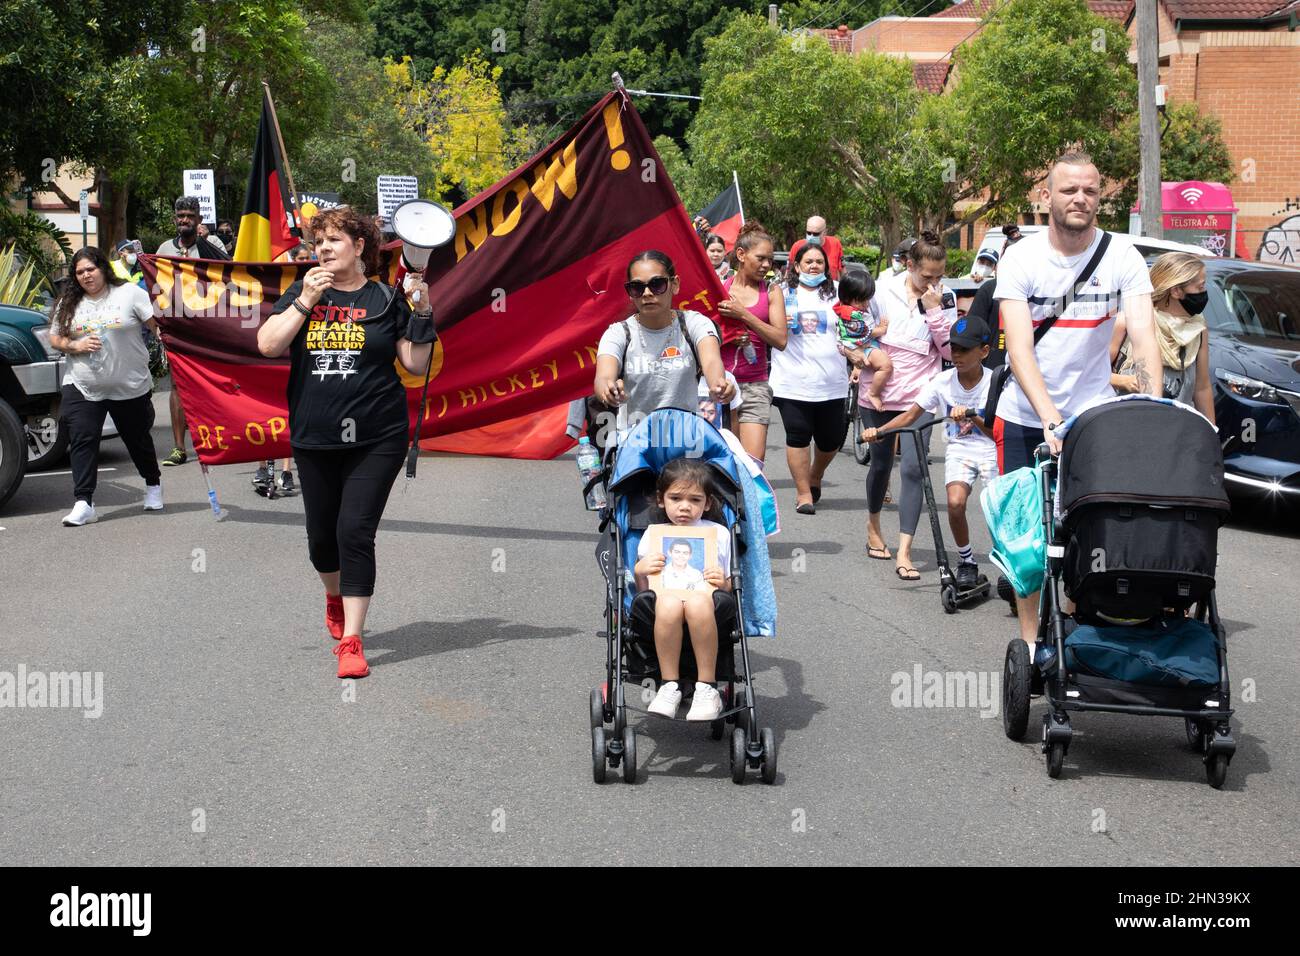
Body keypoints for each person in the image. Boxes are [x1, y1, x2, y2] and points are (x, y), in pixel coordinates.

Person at [257, 206, 436, 679]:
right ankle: (333, 595)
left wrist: (421, 310)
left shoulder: (384, 297)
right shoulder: (303, 292)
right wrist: (303, 302)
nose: (324, 249)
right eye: (320, 243)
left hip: (378, 435)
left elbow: (415, 364)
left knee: (354, 531)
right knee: (322, 538)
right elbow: (268, 345)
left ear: (360, 247)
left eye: (335, 241)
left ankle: (353, 641)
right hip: (315, 435)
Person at [993, 151, 1160, 646]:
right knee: (1028, 538)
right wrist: (1049, 417)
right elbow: (1020, 349)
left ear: (1100, 197)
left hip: (1093, 417)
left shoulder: (1123, 257)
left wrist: (1151, 407)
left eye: (1090, 190)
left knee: (1087, 525)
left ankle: (1071, 632)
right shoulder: (1021, 258)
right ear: (1046, 196)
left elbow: (1145, 336)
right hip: (1026, 417)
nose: (1080, 198)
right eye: (1069, 190)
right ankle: (1029, 643)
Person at [848, 230, 957, 579]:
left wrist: (936, 313)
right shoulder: (881, 292)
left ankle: (905, 550)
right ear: (909, 265)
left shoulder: (944, 298)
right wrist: (857, 355)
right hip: (878, 392)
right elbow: (851, 331)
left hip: (920, 396)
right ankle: (873, 528)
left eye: (939, 277)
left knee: (913, 468)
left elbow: (952, 352)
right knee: (880, 466)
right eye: (927, 276)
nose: (933, 283)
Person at [863, 315, 997, 587]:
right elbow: (911, 415)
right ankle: (967, 561)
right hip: (960, 448)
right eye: (954, 348)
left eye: (964, 350)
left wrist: (973, 416)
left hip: (991, 449)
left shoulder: (996, 383)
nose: (956, 355)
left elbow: (996, 433)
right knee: (956, 503)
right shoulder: (942, 381)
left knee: (997, 510)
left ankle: (1010, 563)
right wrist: (881, 432)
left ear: (984, 351)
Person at [46, 248, 164, 526]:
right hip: (83, 383)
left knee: (137, 438)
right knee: (83, 438)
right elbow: (55, 339)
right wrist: (74, 345)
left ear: (102, 268)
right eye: (79, 272)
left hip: (128, 384)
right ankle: (84, 502)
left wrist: (178, 350)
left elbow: (157, 326)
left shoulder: (130, 293)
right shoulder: (70, 302)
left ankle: (153, 485)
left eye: (91, 269)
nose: (86, 275)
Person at [633, 458, 733, 721]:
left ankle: (706, 687)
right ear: (661, 500)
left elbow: (732, 585)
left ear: (707, 503)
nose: (684, 507)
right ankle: (669, 685)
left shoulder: (719, 533)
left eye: (695, 500)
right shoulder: (654, 534)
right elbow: (645, 593)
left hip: (708, 605)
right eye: (675, 498)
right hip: (664, 606)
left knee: (698, 602)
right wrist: (640, 571)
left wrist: (723, 581)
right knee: (667, 602)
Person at [593, 251, 735, 434]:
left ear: (674, 284)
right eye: (637, 287)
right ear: (629, 292)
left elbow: (711, 361)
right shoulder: (617, 333)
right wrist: (608, 390)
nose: (647, 293)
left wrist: (718, 386)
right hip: (634, 441)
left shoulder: (695, 324)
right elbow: (603, 377)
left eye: (657, 284)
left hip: (687, 438)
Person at [770, 242, 847, 515]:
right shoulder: (780, 292)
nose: (814, 266)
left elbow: (858, 323)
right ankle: (804, 493)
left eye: (819, 261)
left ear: (826, 266)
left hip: (832, 382)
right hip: (791, 380)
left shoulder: (838, 292)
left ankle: (816, 474)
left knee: (831, 440)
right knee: (798, 435)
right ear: (797, 265)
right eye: (808, 261)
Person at [156, 196, 230, 468]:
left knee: (207, 384)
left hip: (207, 327)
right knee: (177, 385)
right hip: (177, 328)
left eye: (189, 215)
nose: (184, 219)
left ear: (199, 220)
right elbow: (158, 287)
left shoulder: (212, 247)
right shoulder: (164, 248)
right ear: (175, 219)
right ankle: (178, 447)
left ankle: (210, 441)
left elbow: (229, 279)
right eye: (180, 215)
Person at [1110, 252, 1216, 423]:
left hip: (1177, 433)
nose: (1204, 292)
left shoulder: (1198, 330)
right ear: (1175, 291)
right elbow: (1093, 375)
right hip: (1127, 427)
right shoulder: (1130, 322)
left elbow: (1202, 388)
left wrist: (1211, 432)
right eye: (1200, 287)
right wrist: (1125, 381)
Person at [716, 222, 787, 463]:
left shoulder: (772, 291)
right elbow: (702, 337)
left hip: (755, 386)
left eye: (770, 259)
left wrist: (744, 315)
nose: (767, 265)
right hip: (720, 387)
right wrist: (729, 337)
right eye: (761, 258)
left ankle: (750, 503)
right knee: (722, 463)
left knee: (752, 465)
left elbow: (780, 340)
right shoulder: (719, 289)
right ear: (741, 255)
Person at [832, 271, 891, 411]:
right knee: (886, 366)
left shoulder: (847, 309)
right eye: (861, 300)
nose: (866, 304)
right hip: (862, 347)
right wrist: (881, 329)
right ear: (847, 297)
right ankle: (873, 393)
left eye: (867, 299)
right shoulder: (850, 314)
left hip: (861, 347)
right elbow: (864, 332)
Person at [788, 215, 845, 280]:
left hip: (829, 288)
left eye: (815, 234)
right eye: (808, 233)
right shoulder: (797, 246)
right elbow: (789, 272)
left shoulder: (835, 244)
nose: (811, 236)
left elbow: (842, 271)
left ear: (825, 232)